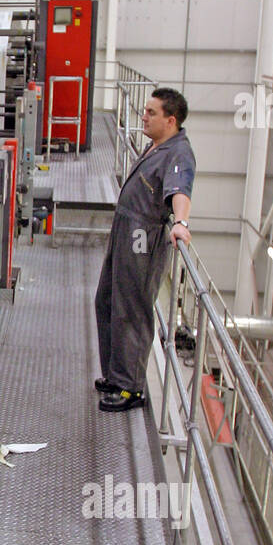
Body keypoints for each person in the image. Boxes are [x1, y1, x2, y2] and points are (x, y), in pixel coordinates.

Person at [95, 87, 195, 413]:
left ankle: (130, 387)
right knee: (107, 299)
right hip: (126, 228)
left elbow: (180, 189)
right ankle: (114, 373)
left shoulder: (179, 153)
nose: (144, 117)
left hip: (142, 235)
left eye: (151, 113)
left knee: (131, 307)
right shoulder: (158, 145)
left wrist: (181, 223)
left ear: (171, 119)